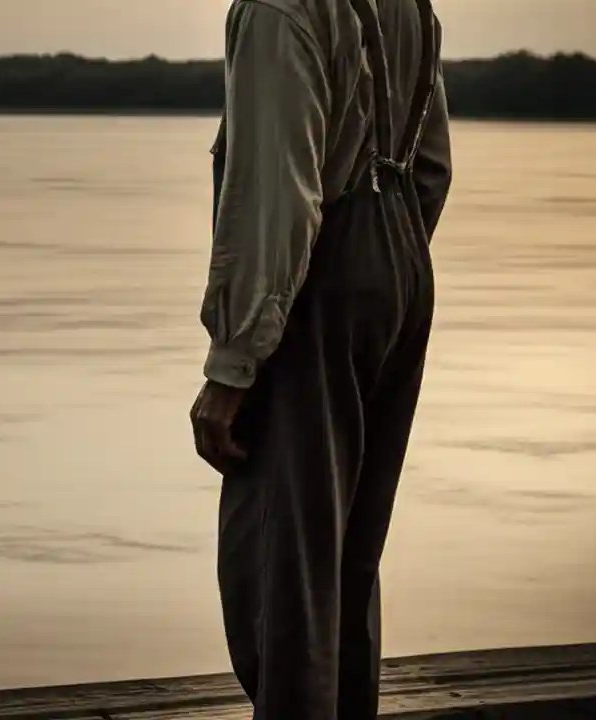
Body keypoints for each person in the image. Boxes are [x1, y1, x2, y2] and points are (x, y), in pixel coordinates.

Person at [189, 0, 453, 717]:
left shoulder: (280, 7)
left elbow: (277, 189)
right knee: (349, 552)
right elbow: (430, 167)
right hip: (400, 261)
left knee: (282, 569)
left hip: (325, 274)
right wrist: (388, 266)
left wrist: (233, 362)